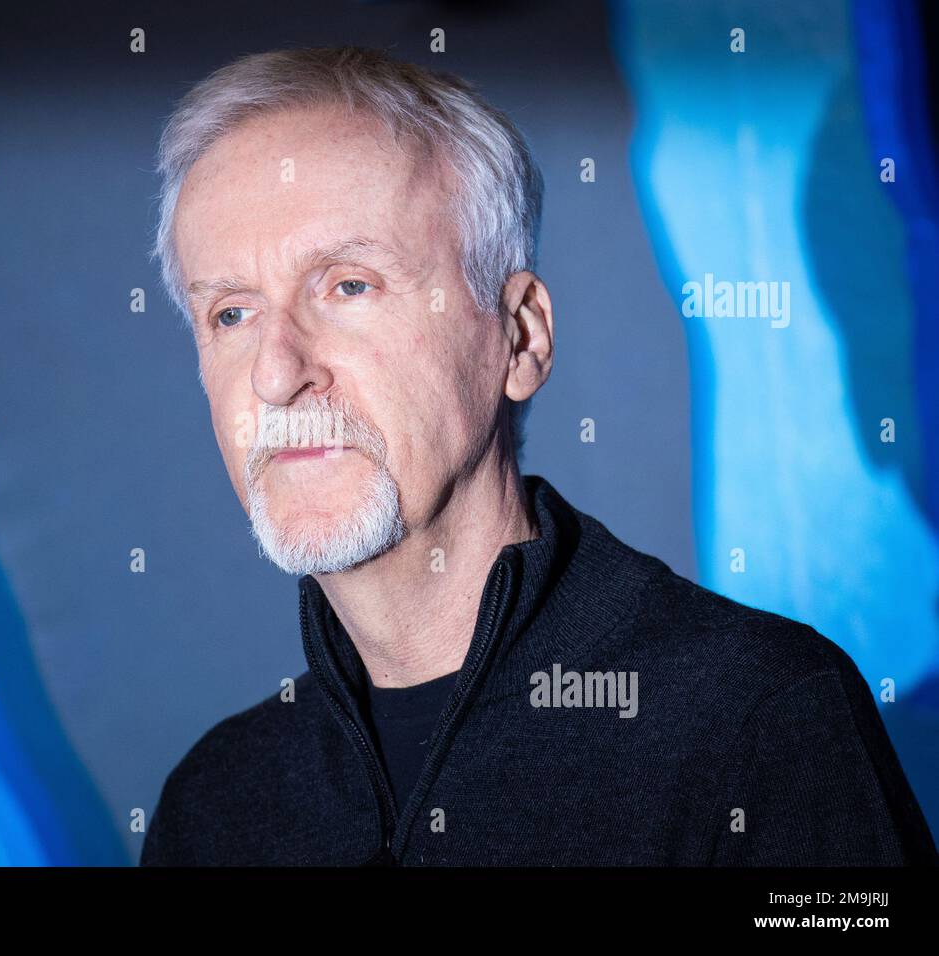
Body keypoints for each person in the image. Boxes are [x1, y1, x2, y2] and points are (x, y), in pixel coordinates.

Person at [139, 45, 937, 865]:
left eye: (349, 286)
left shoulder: (759, 721)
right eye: (231, 314)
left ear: (519, 338)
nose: (275, 375)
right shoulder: (213, 807)